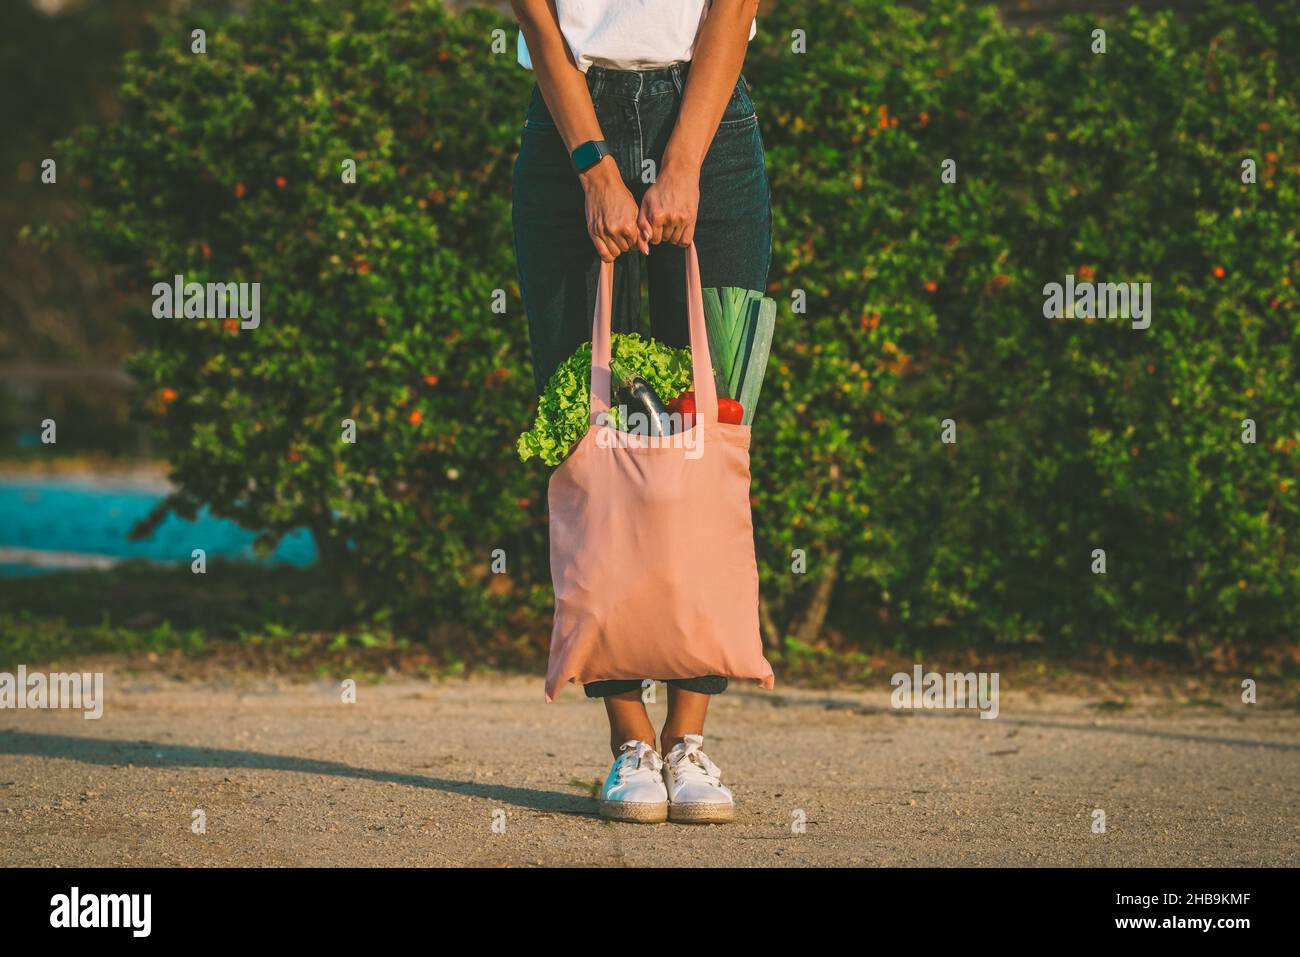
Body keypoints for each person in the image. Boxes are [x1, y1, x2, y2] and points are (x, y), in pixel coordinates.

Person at [510, 0, 771, 824]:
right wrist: (594, 168)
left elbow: (734, 7)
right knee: (585, 435)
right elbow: (540, 23)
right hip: (568, 132)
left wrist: (683, 162)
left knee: (712, 421)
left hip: (711, 126)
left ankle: (688, 737)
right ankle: (630, 739)